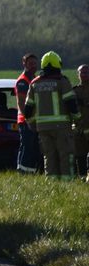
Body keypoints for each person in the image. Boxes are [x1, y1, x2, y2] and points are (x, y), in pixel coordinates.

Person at [24, 51, 81, 180]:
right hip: (61, 127)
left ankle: (52, 183)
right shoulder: (62, 81)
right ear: (58, 65)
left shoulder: (34, 83)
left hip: (43, 128)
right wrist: (77, 118)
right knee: (65, 155)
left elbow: (28, 109)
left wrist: (33, 123)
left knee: (49, 156)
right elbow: (71, 104)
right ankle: (68, 183)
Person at [16, 53, 42, 174]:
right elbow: (21, 103)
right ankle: (24, 172)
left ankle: (29, 171)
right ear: (24, 63)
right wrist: (28, 119)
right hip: (26, 120)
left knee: (32, 147)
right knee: (27, 147)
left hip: (34, 120)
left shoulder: (34, 79)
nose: (33, 66)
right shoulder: (22, 81)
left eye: (35, 63)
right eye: (30, 63)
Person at [72, 64, 89, 179]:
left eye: (86, 72)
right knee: (80, 154)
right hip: (78, 128)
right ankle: (82, 176)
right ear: (78, 75)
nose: (84, 74)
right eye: (82, 72)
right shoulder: (74, 91)